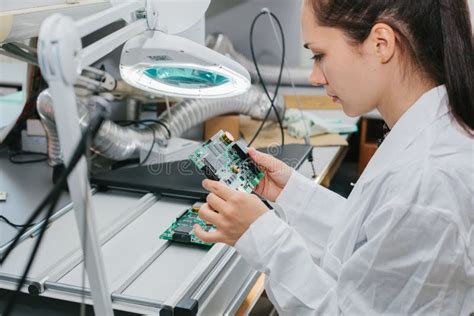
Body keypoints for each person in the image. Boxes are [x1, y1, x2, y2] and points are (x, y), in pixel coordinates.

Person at [194, 0, 474, 314]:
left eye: (319, 55)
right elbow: (372, 243)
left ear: (381, 44)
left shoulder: (430, 179)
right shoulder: (426, 132)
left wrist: (262, 234)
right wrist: (290, 194)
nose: (315, 77)